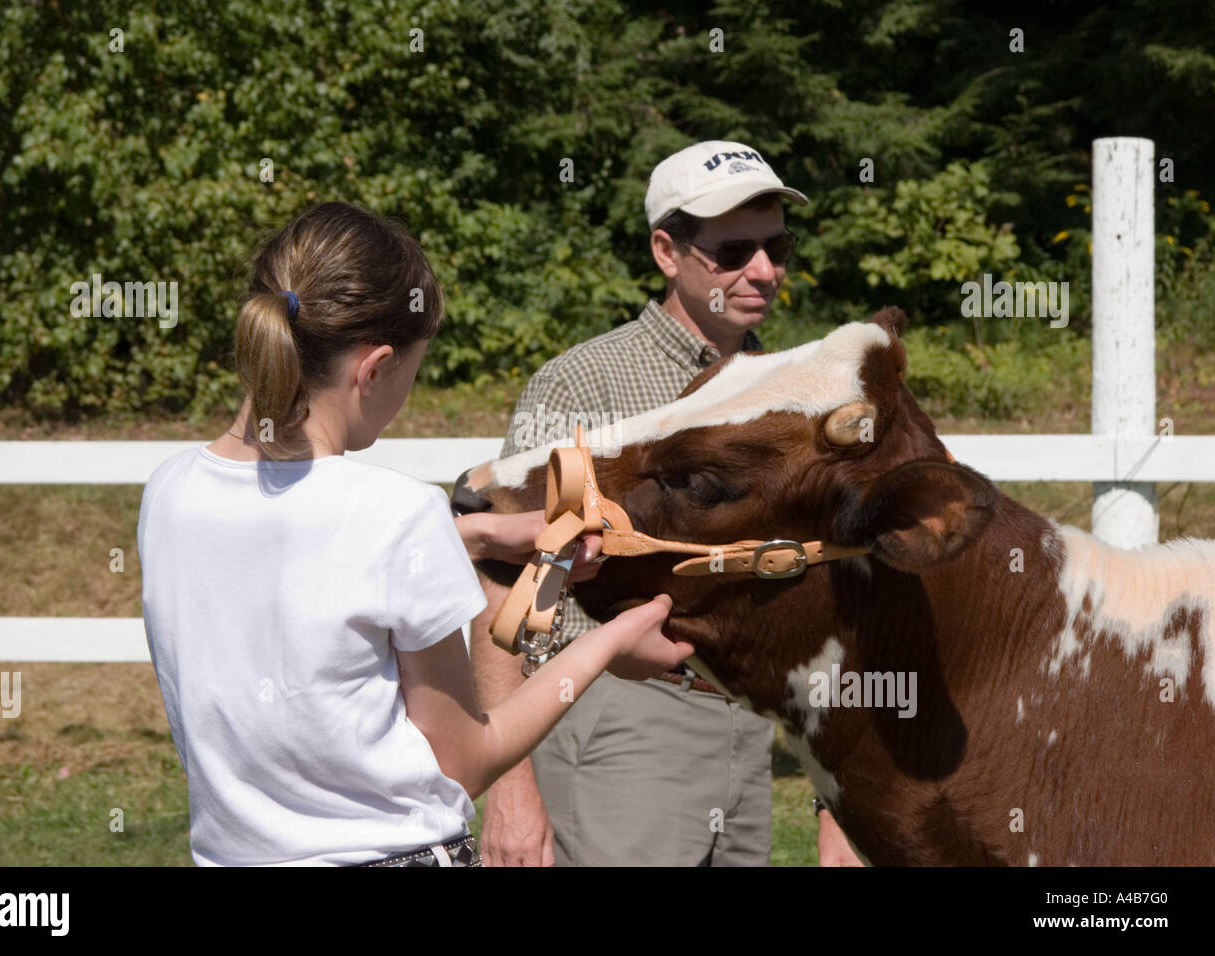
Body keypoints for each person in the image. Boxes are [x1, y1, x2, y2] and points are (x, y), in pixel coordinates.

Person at [136, 201, 693, 866]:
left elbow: (302, 559)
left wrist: (479, 535)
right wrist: (607, 644)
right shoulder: (398, 513)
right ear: (374, 369)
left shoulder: (168, 492)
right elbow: (464, 762)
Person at [473, 140, 863, 866]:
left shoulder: (791, 390)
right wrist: (510, 784)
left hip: (749, 725)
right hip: (616, 722)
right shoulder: (582, 388)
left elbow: (824, 598)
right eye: (734, 249)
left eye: (777, 245)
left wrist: (832, 793)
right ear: (666, 250)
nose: (765, 270)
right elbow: (508, 589)